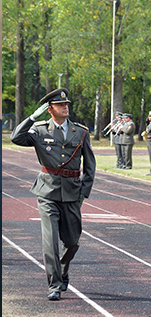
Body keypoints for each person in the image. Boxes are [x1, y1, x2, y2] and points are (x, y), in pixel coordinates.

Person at [11, 88, 96, 300]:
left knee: (73, 242)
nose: (65, 107)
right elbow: (16, 137)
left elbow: (90, 166)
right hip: (47, 192)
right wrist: (32, 118)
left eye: (66, 104)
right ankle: (55, 285)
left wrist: (83, 193)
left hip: (72, 193)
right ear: (50, 110)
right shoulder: (40, 131)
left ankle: (63, 269)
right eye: (60, 105)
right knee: (50, 241)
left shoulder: (81, 132)